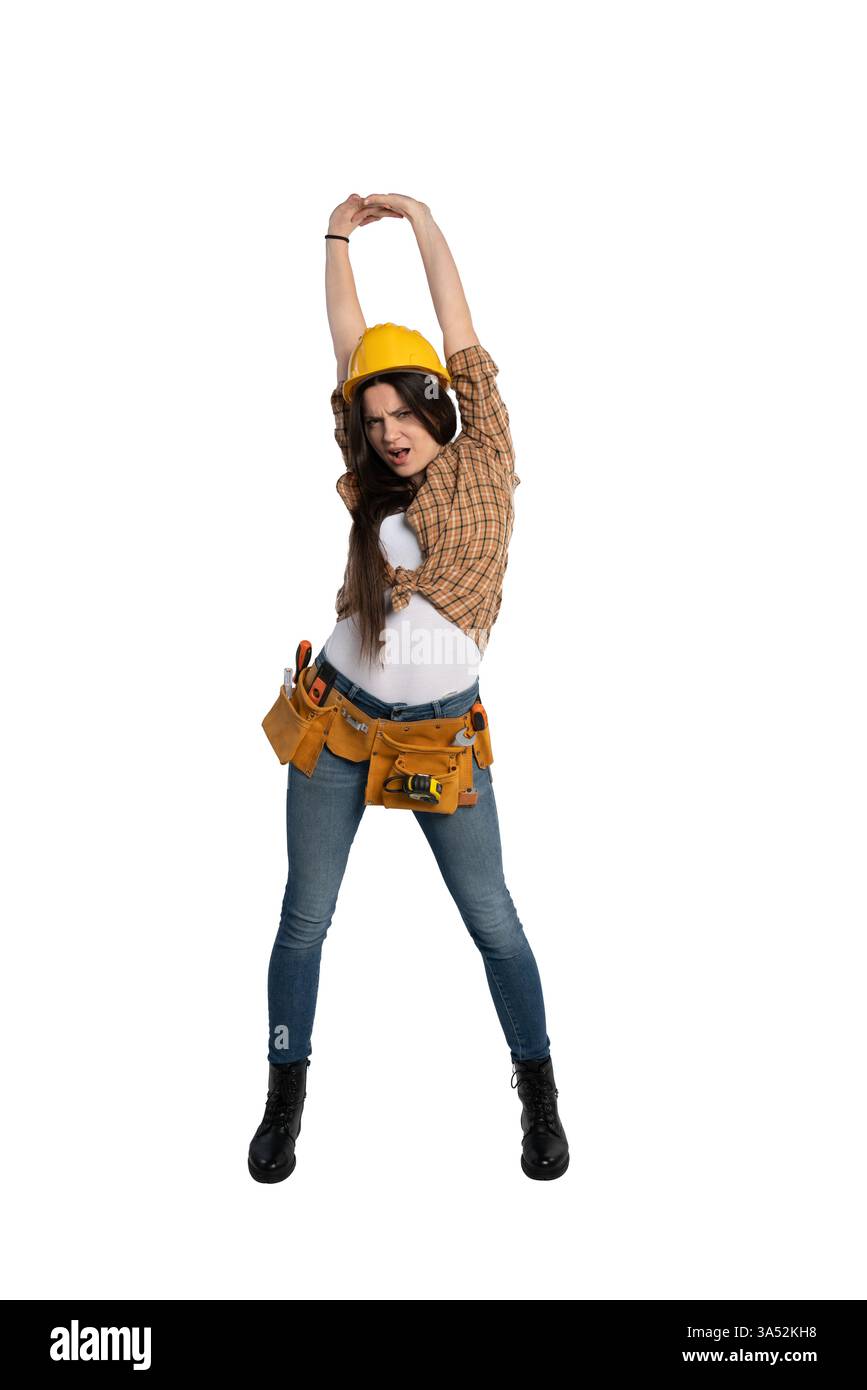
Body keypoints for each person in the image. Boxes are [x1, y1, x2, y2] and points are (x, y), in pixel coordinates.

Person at [248, 193, 569, 1184]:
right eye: (372, 416)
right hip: (337, 721)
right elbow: (349, 346)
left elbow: (459, 329)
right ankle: (283, 1099)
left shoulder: (486, 455)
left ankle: (542, 1099)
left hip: (440, 737)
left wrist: (422, 221)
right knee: (305, 913)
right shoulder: (370, 476)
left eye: (403, 411)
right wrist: (335, 239)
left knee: (493, 918)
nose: (387, 432)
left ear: (438, 403)